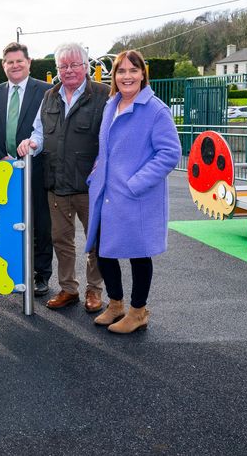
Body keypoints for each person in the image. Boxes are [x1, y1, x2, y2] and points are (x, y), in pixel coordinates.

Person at [85, 50, 181, 333]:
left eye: (133, 70)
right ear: (114, 76)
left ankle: (138, 312)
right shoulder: (110, 105)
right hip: (107, 194)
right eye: (121, 71)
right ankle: (116, 304)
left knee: (139, 255)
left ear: (143, 74)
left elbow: (169, 153)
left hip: (135, 197)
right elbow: (105, 148)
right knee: (104, 251)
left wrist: (136, 183)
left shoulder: (156, 110)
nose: (127, 76)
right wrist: (96, 173)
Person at [17, 42, 108, 313]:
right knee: (61, 240)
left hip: (90, 185)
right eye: (62, 66)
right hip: (56, 183)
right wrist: (31, 144)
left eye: (74, 65)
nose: (68, 70)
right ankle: (69, 289)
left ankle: (94, 291)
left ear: (86, 66)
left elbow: (111, 139)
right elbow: (39, 133)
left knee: (95, 241)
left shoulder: (103, 95)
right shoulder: (50, 96)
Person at [0, 42, 53, 296]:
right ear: (3, 65)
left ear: (29, 63)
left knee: (39, 222)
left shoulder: (46, 91)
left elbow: (49, 128)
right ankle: (9, 271)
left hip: (36, 166)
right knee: (8, 221)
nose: (14, 66)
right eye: (9, 62)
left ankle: (40, 274)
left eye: (19, 61)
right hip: (4, 169)